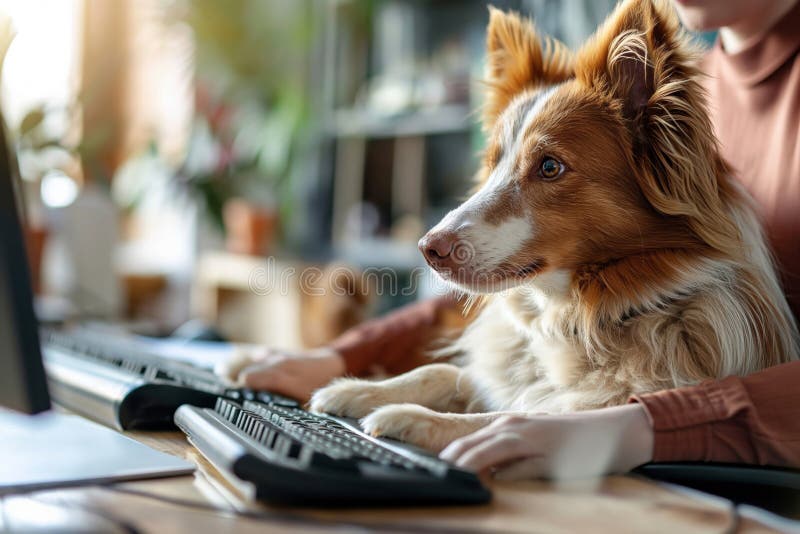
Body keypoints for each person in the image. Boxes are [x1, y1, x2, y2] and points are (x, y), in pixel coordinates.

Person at [223, 0, 800, 478]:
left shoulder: (656, 93)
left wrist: (638, 425)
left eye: (548, 169)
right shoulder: (674, 73)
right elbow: (518, 286)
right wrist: (344, 357)